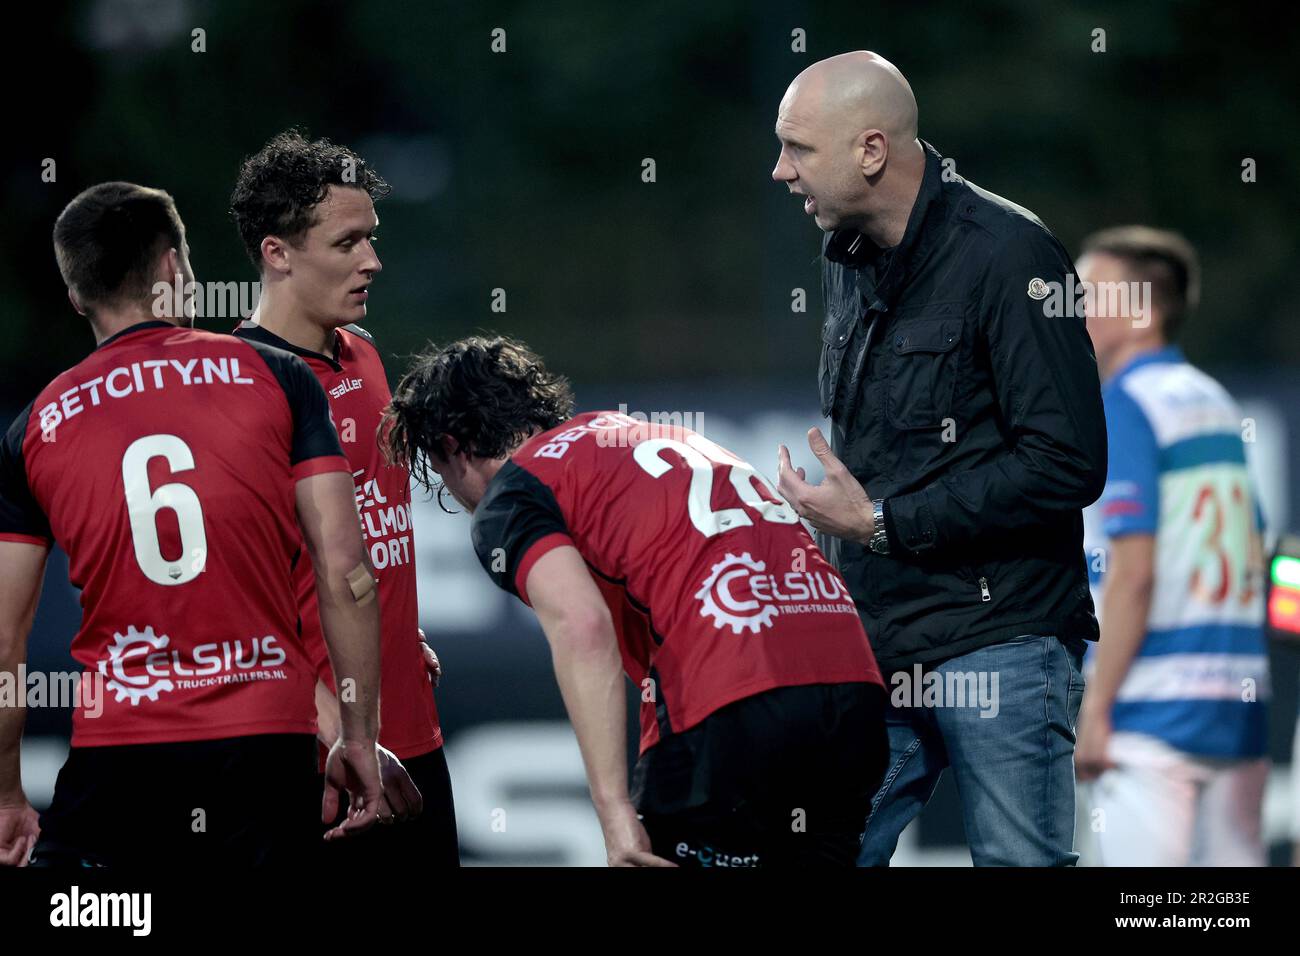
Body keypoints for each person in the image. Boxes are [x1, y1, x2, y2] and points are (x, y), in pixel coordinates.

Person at [771, 51, 1107, 866]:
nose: (780, 171)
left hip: (1003, 640)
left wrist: (885, 524)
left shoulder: (1009, 255)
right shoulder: (845, 256)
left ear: (872, 151)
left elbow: (1069, 462)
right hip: (880, 639)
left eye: (798, 149)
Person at [381, 335, 888, 867]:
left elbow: (583, 626)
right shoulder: (651, 435)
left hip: (732, 705)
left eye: (439, 471)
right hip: (853, 696)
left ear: (454, 446)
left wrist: (613, 811)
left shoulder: (515, 493)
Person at [0, 182, 388, 868]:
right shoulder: (277, 376)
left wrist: (6, 794)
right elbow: (346, 571)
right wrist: (356, 737)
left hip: (118, 759)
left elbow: (4, 642)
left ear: (77, 296)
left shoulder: (34, 427)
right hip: (264, 751)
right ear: (175, 269)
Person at [229, 130, 457, 865]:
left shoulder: (361, 350)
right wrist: (342, 732)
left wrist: (396, 628)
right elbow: (237, 609)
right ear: (277, 253)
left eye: (373, 238)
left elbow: (365, 535)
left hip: (414, 736)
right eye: (347, 242)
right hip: (325, 761)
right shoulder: (239, 391)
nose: (372, 262)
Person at [1074, 226, 1270, 866]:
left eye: (1090, 292)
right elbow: (1258, 546)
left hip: (1150, 709)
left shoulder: (1126, 405)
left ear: (1140, 309)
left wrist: (1098, 708)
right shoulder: (1213, 401)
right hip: (1236, 706)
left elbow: (1134, 571)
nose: (1072, 308)